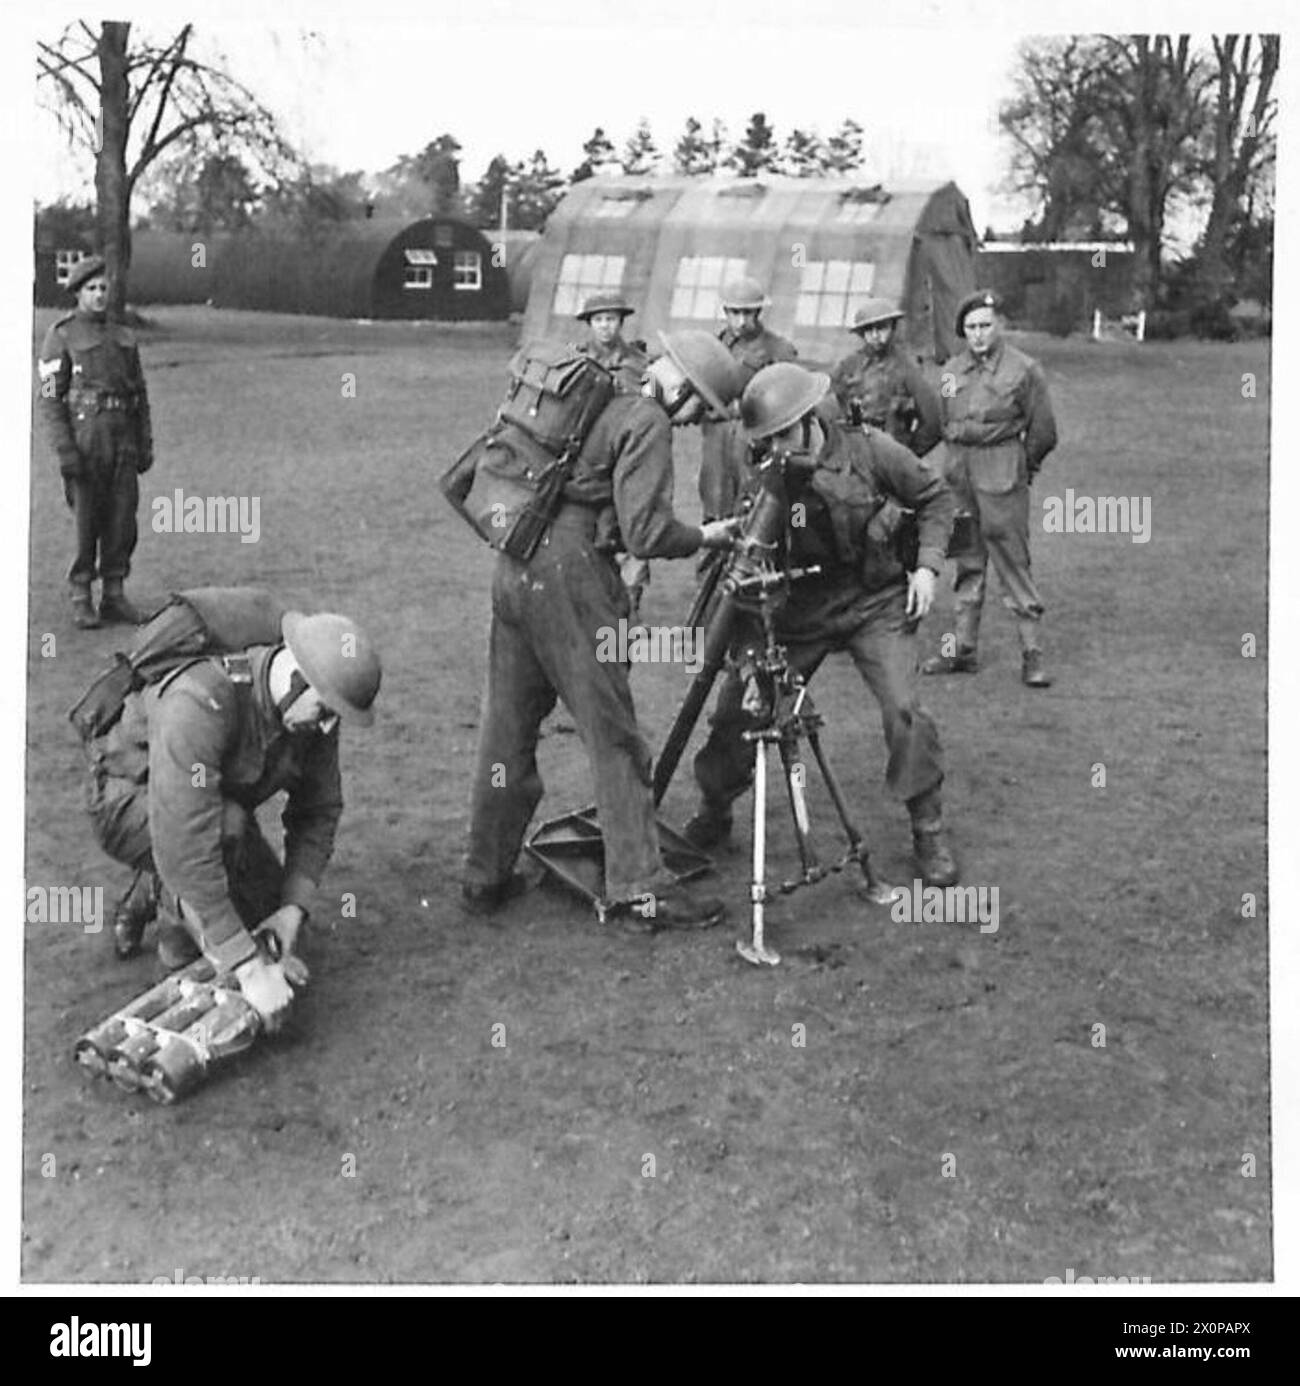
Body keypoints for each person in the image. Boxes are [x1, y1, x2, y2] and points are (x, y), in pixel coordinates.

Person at [462, 330, 746, 930]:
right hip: (570, 576)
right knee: (614, 734)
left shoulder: (604, 388)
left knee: (506, 730)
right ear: (685, 389)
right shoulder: (647, 420)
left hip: (514, 562)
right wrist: (706, 536)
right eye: (700, 410)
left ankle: (484, 874)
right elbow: (647, 534)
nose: (695, 424)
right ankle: (642, 889)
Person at [682, 361, 960, 887]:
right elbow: (740, 548)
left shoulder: (869, 448)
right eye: (767, 439)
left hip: (871, 600)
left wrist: (926, 565)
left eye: (785, 435)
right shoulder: (755, 467)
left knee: (905, 710)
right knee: (738, 711)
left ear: (808, 418)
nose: (778, 448)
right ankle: (715, 807)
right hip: (794, 611)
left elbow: (936, 497)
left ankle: (928, 828)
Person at [89, 606, 381, 1034]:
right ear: (297, 679)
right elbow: (186, 845)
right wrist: (246, 967)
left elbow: (318, 811)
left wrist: (290, 910)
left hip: (214, 806)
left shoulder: (313, 714)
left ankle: (151, 893)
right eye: (325, 710)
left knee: (277, 934)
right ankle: (173, 930)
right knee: (223, 905)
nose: (329, 727)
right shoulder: (199, 701)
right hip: (129, 799)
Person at [921, 289, 1059, 687]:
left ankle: (1032, 655)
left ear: (999, 325)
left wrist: (1021, 467)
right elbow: (940, 419)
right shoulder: (950, 372)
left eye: (985, 325)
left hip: (1001, 472)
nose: (978, 334)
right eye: (970, 328)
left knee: (1013, 563)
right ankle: (962, 650)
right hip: (958, 476)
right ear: (962, 332)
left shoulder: (1024, 370)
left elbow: (1044, 432)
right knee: (966, 561)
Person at [38, 255, 153, 629]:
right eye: (91, 289)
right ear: (77, 293)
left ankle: (115, 594)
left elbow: (140, 393)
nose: (100, 295)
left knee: (122, 518)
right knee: (86, 520)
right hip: (87, 437)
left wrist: (144, 442)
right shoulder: (63, 335)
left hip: (123, 436)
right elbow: (51, 397)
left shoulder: (123, 337)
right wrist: (65, 449)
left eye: (104, 288)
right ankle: (81, 596)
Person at [698, 276, 797, 522]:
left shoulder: (778, 349)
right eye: (735, 313)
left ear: (758, 312)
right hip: (716, 440)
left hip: (756, 441)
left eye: (748, 313)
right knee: (715, 506)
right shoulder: (713, 346)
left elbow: (792, 398)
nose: (741, 321)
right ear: (725, 312)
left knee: (756, 509)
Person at [830, 297, 942, 456]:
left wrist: (909, 453)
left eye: (881, 328)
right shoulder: (848, 365)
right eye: (869, 330)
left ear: (892, 328)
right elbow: (829, 407)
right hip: (853, 453)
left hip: (889, 452)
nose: (875, 336)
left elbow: (933, 421)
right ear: (862, 333)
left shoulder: (907, 367)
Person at [574, 291, 648, 393]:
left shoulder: (640, 361)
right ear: (590, 324)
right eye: (598, 320)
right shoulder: (577, 360)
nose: (604, 326)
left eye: (611, 319)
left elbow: (650, 401)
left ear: (621, 322)